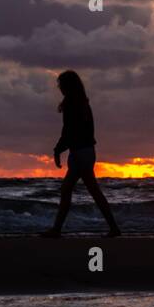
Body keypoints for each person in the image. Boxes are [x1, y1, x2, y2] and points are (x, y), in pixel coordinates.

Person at [40, 70, 122, 237]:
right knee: (74, 189)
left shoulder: (73, 104)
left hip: (80, 153)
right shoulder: (82, 103)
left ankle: (58, 230)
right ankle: (58, 230)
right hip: (83, 152)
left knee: (78, 190)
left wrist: (57, 150)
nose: (59, 88)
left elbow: (69, 131)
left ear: (68, 86)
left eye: (61, 85)